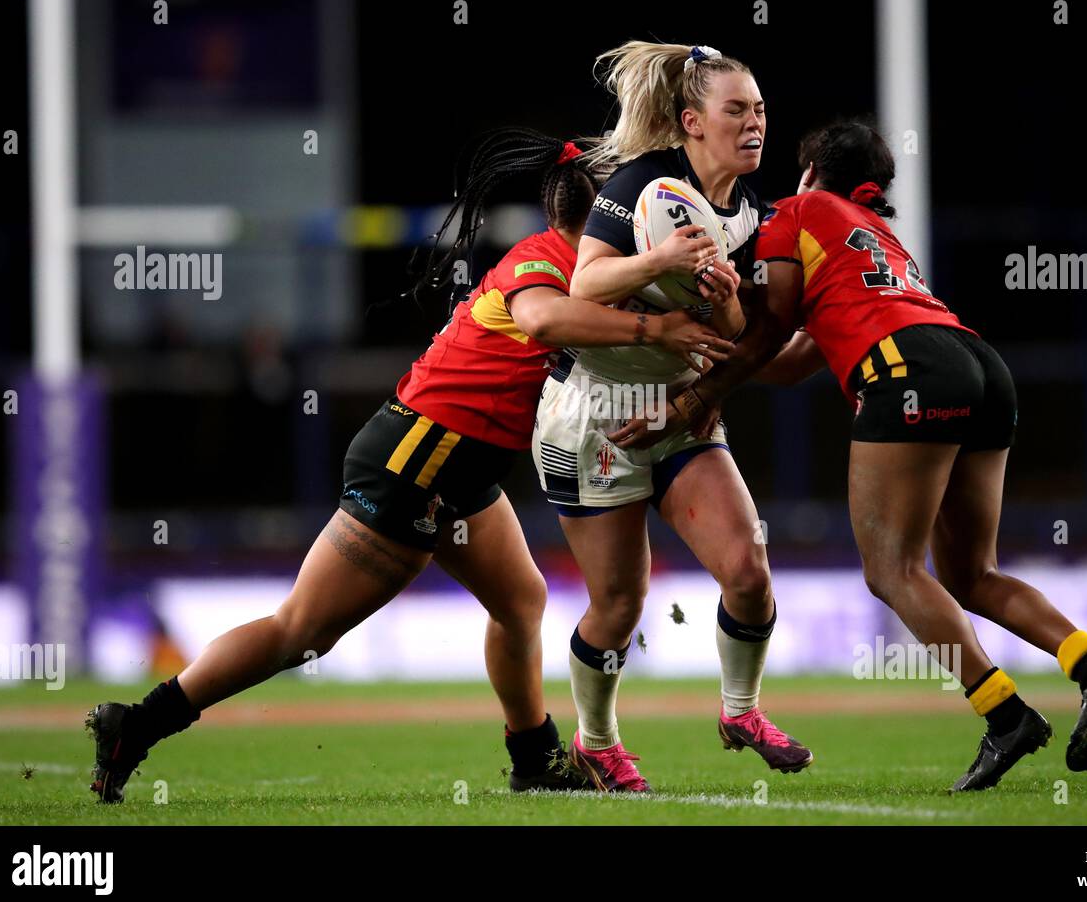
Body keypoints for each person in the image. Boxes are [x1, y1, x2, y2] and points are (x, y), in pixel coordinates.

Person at [86, 129, 732, 803]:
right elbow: (542, 321)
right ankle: (138, 723)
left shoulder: (600, 276)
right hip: (416, 455)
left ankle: (533, 756)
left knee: (521, 601)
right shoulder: (542, 260)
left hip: (454, 462)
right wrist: (657, 329)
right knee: (302, 630)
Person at [614, 121, 1087, 792]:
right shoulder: (872, 233)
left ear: (809, 172)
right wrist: (722, 356)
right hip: (977, 363)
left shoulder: (795, 213)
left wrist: (693, 396)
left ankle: (1005, 714)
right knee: (971, 572)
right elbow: (790, 358)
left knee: (891, 568)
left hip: (907, 368)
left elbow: (772, 327)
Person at [532, 41, 812, 793]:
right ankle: (596, 742)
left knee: (748, 572)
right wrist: (661, 263)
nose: (754, 123)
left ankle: (742, 711)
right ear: (692, 121)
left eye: (759, 110)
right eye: (736, 111)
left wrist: (723, 294)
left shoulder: (750, 211)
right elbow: (586, 285)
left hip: (680, 410)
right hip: (595, 413)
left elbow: (730, 332)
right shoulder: (642, 183)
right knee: (620, 603)